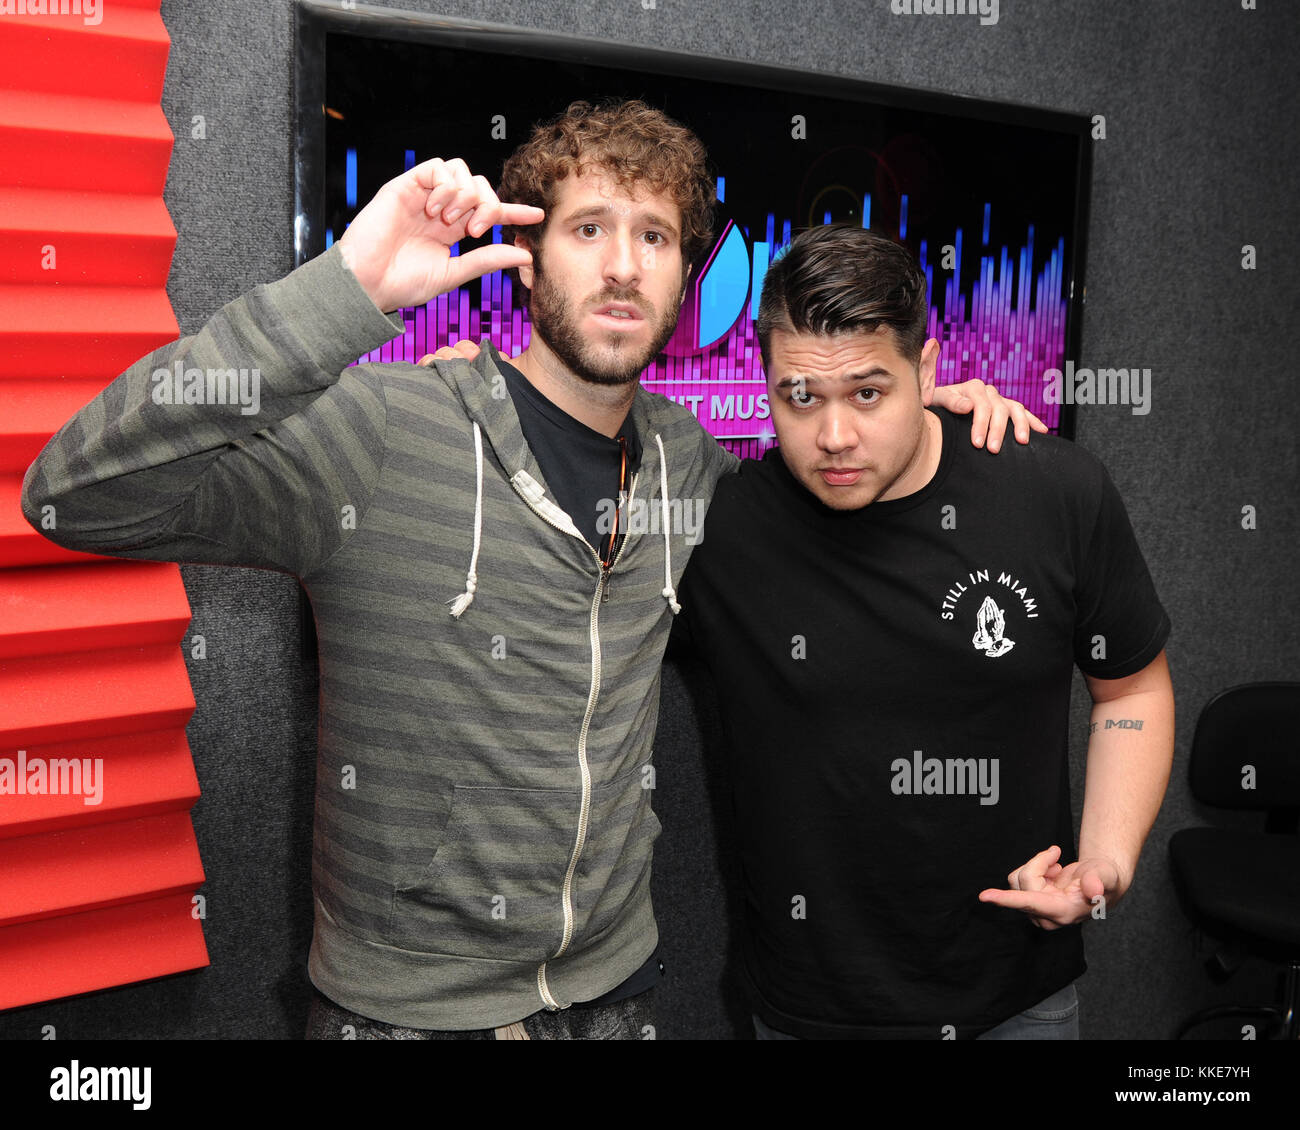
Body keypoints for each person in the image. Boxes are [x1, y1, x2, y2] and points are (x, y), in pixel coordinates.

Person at [21, 101, 1036, 1040]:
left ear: (688, 277)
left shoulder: (689, 464)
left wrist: (919, 422)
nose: (625, 267)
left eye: (655, 237)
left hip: (617, 991)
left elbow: (829, 499)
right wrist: (346, 290)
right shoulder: (385, 430)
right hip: (405, 1011)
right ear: (527, 256)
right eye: (589, 228)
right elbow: (74, 489)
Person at [669, 223, 1175, 1040]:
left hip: (1019, 1001)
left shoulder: (1054, 490)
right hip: (812, 1013)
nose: (834, 436)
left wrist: (1106, 860)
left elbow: (1133, 691)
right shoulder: (722, 528)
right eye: (801, 395)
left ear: (930, 371)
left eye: (869, 392)